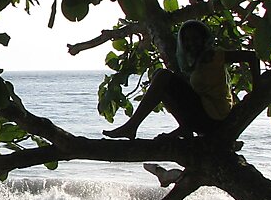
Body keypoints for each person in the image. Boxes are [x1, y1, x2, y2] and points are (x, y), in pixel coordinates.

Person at [103, 20, 259, 140]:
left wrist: (257, 88)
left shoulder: (214, 55)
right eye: (187, 40)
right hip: (205, 116)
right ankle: (183, 128)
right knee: (161, 83)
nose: (191, 43)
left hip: (214, 119)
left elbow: (251, 56)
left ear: (203, 39)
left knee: (162, 76)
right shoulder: (194, 63)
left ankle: (132, 126)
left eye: (195, 38)